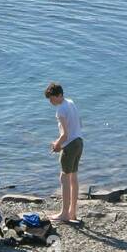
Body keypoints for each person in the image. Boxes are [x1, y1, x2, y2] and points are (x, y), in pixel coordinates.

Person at [45, 82, 83, 224]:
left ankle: (64, 214)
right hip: (79, 142)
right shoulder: (71, 103)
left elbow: (65, 135)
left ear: (60, 95)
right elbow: (79, 123)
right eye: (49, 99)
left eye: (52, 98)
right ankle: (72, 212)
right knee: (73, 177)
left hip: (70, 145)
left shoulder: (60, 110)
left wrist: (57, 145)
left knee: (64, 177)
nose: (51, 101)